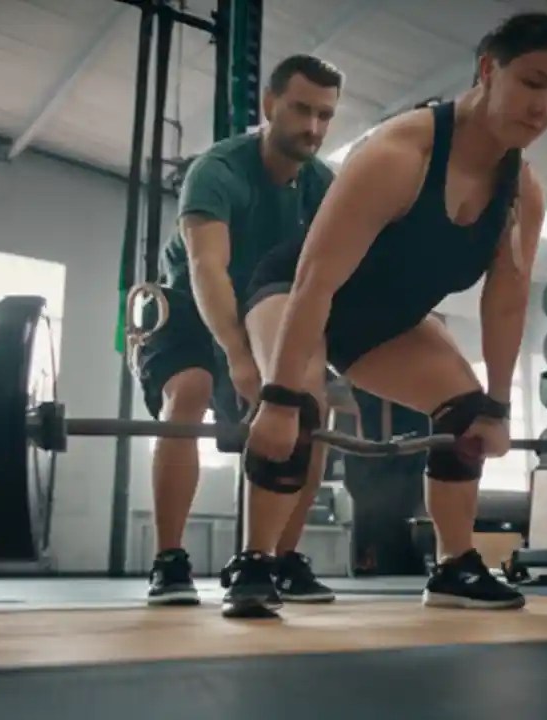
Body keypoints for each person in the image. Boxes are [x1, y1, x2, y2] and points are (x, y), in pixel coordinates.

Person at [220, 12, 547, 617]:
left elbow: (507, 300)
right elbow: (317, 278)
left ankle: (455, 565)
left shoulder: (523, 192)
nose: (543, 107)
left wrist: (495, 403)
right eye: (532, 82)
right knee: (300, 402)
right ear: (489, 70)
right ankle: (257, 562)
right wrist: (279, 399)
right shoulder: (399, 153)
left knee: (463, 413)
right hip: (295, 289)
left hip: (382, 323)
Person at [133, 54, 344, 606]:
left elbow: (330, 275)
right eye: (301, 110)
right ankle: (169, 560)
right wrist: (240, 358)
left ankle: (277, 560)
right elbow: (207, 269)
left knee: (311, 409)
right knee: (190, 392)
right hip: (188, 306)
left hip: (263, 310)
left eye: (325, 116)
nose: (313, 128)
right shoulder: (218, 170)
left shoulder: (323, 185)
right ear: (271, 105)